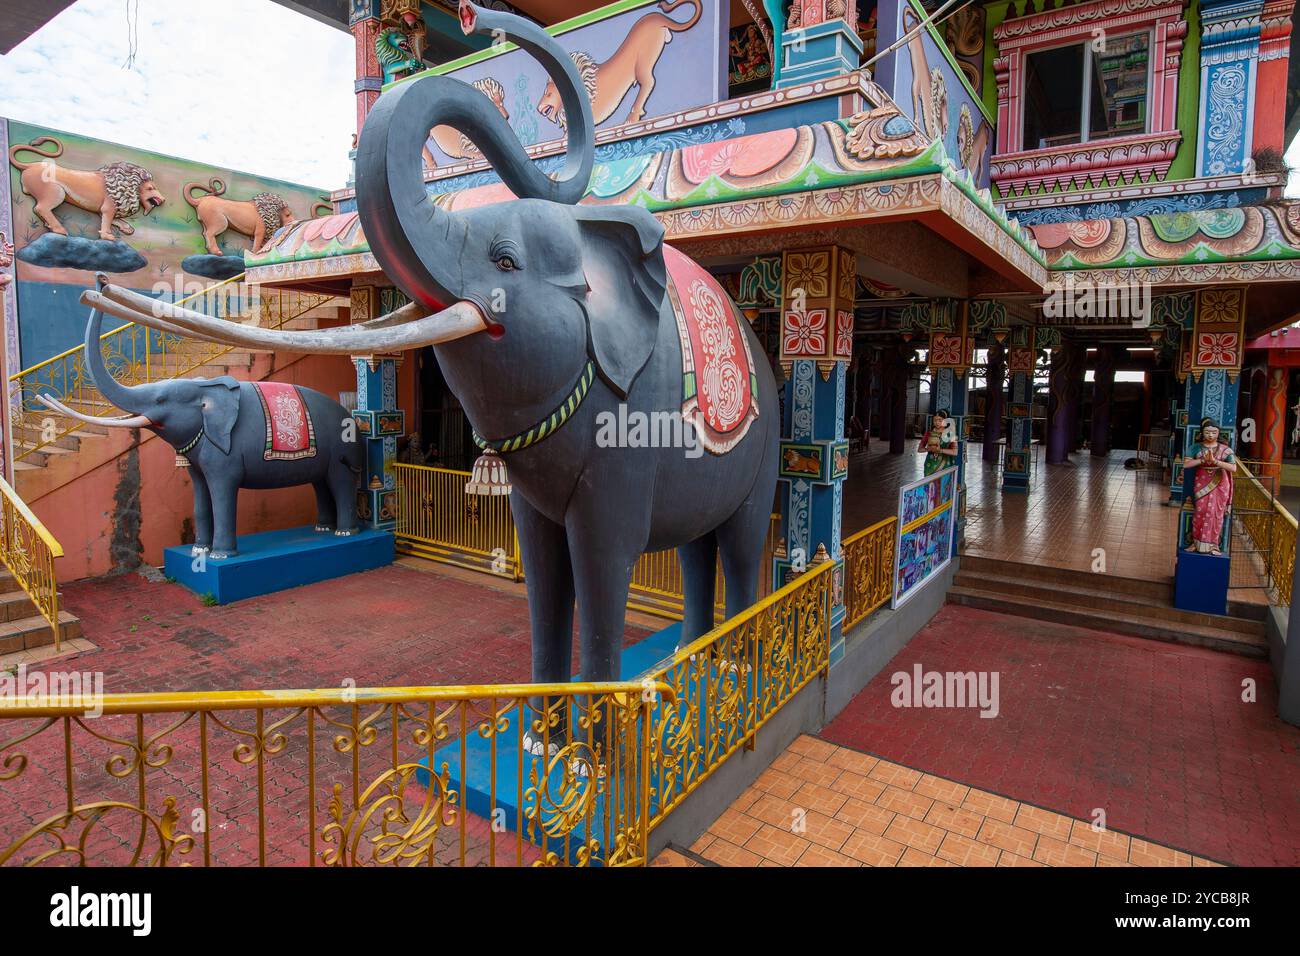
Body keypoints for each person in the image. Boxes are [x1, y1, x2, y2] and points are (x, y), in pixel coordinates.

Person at [1182, 418, 1236, 555]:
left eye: (1214, 432)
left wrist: (1216, 462)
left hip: (1220, 484)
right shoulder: (1195, 448)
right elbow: (1186, 464)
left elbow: (1233, 468)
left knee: (1216, 514)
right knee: (1200, 511)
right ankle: (1196, 542)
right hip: (1202, 483)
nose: (1210, 435)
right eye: (1207, 432)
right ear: (1202, 433)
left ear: (1219, 433)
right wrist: (1202, 460)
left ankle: (1214, 545)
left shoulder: (1226, 450)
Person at [917, 409, 957, 475]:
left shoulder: (951, 434)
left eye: (940, 420)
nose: (937, 422)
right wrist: (928, 449)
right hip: (930, 466)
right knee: (929, 484)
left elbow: (955, 452)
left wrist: (940, 450)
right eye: (935, 420)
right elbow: (919, 449)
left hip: (944, 466)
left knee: (943, 485)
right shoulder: (929, 433)